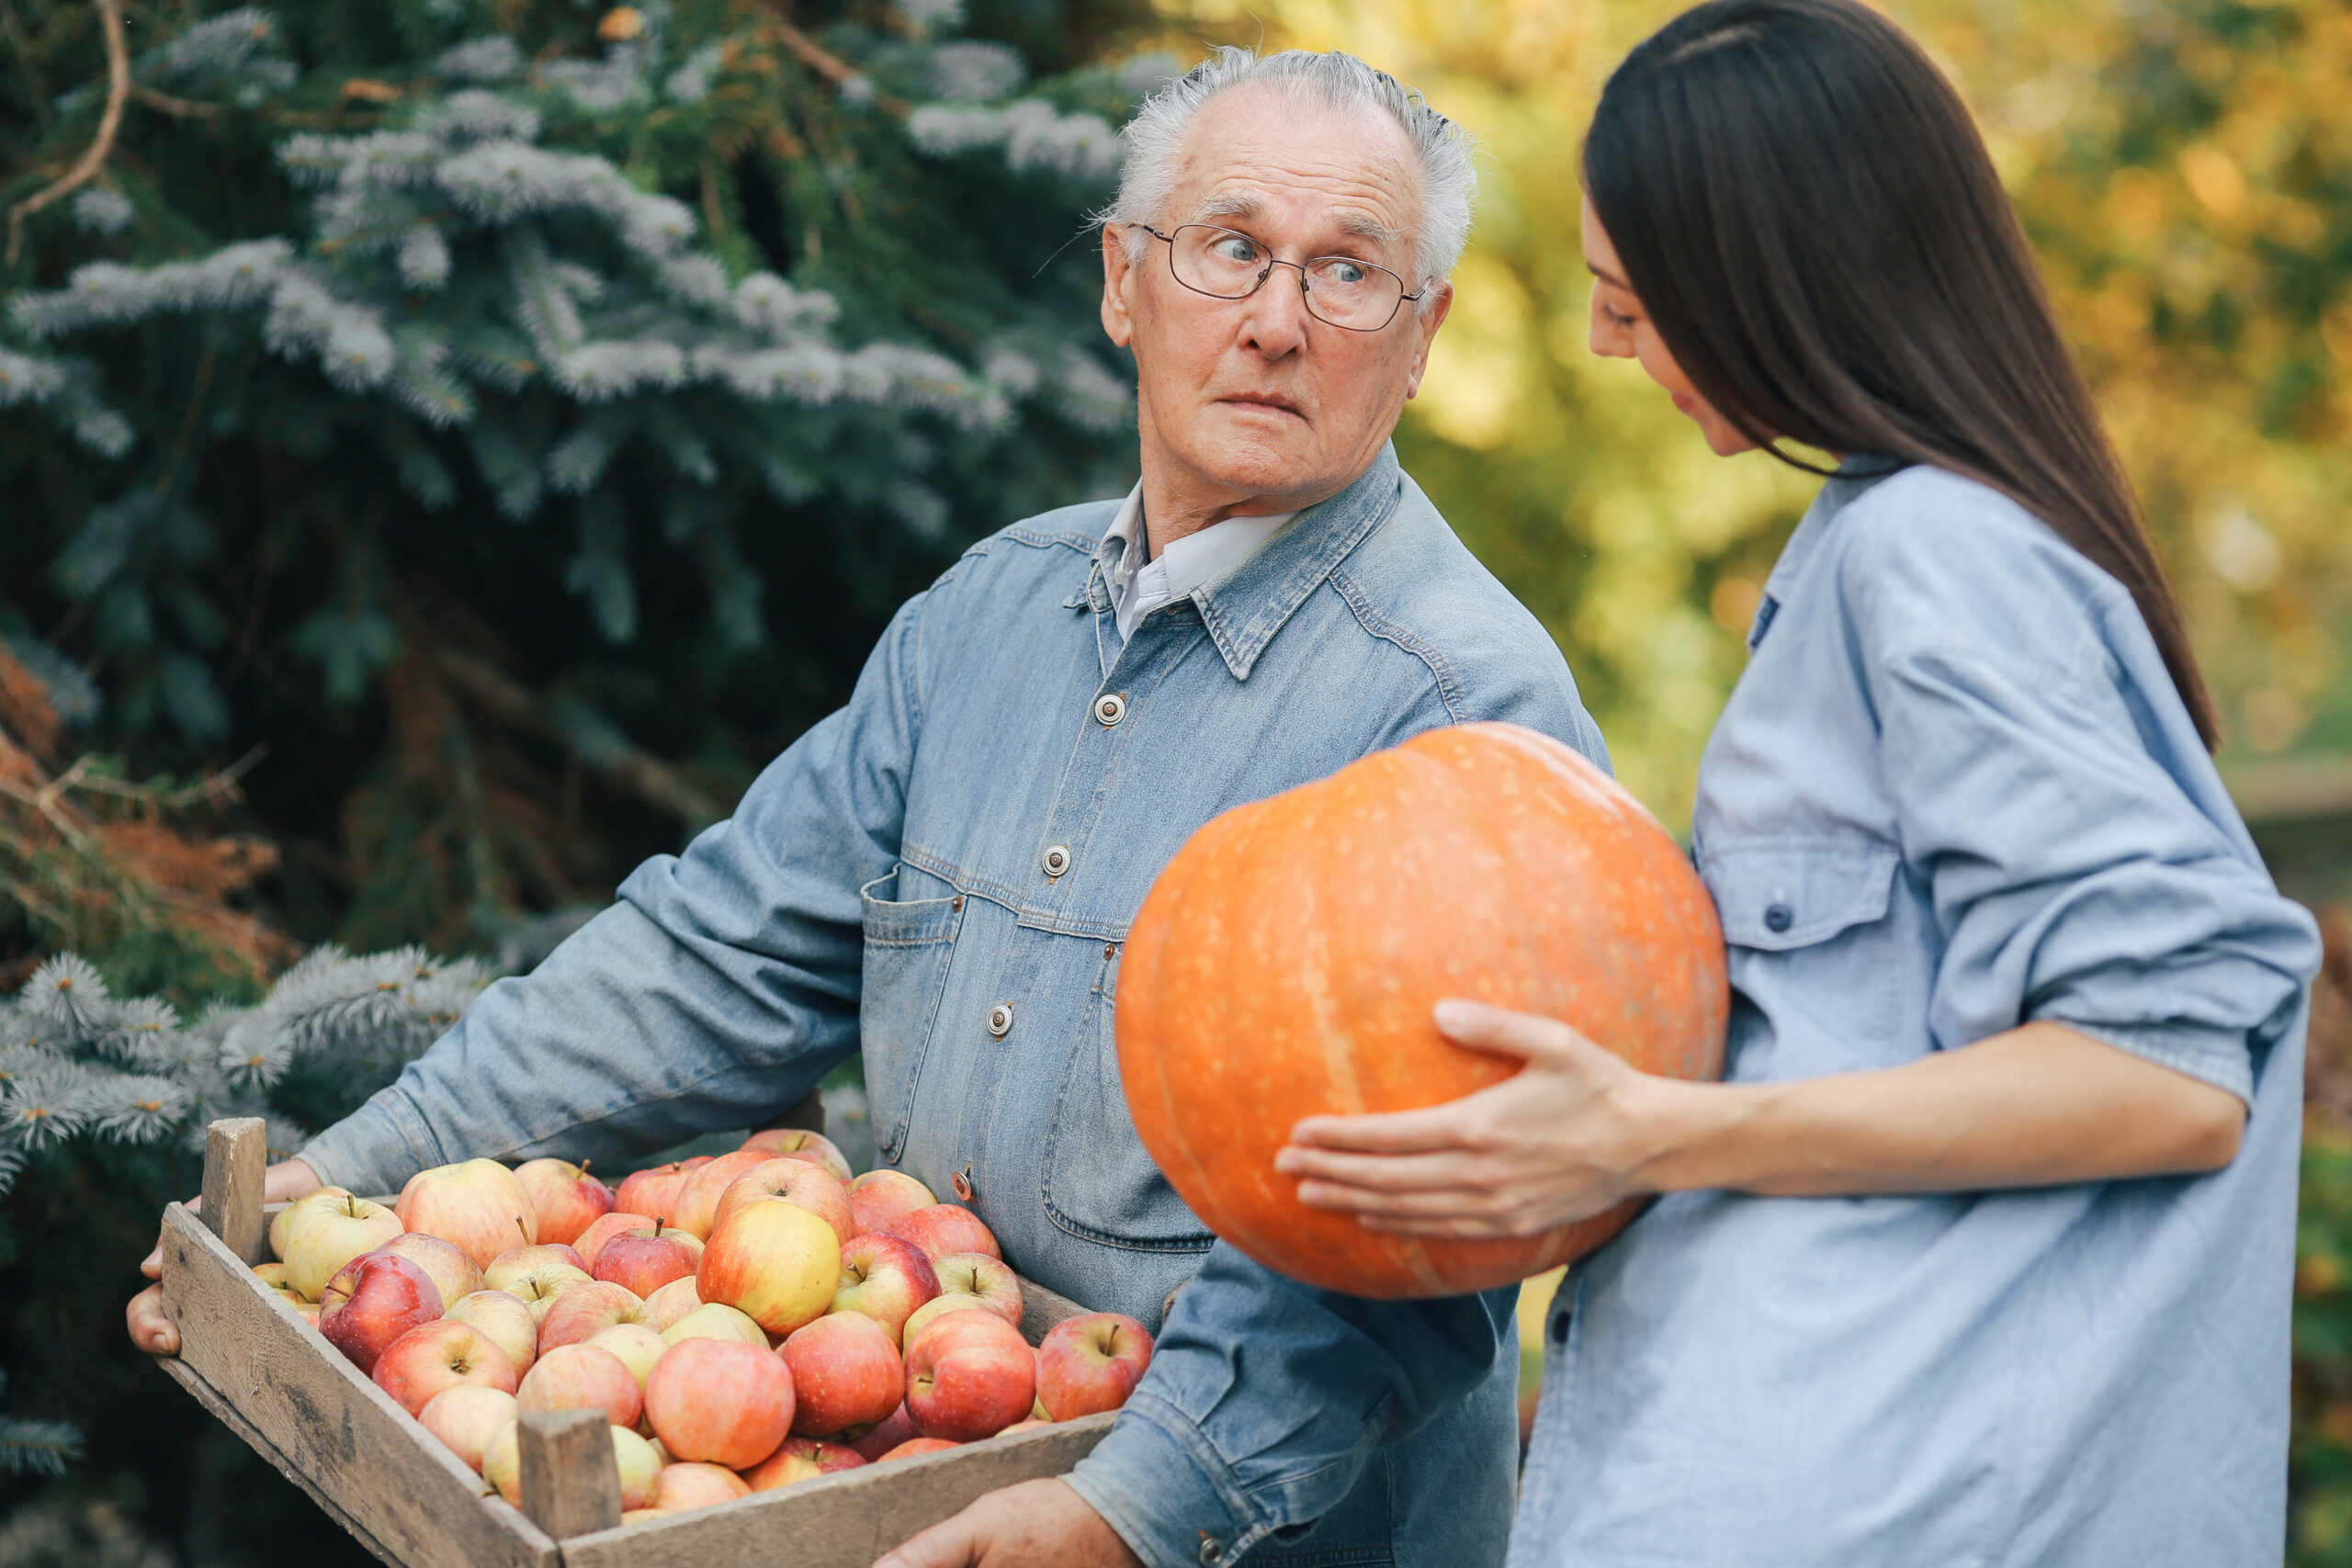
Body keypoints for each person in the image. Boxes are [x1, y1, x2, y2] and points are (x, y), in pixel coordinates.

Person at [128, 48, 1611, 1568]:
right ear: (1124, 280)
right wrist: (346, 1183)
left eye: (1350, 272)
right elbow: (713, 954)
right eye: (1229, 248)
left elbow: (1402, 1241)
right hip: (917, 1490)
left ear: (1421, 337)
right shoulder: (986, 619)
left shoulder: (1462, 716)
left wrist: (1133, 1502)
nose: (1277, 321)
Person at [1273, 4, 2324, 1564]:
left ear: (1781, 286)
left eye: (1638, 302)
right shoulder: (1882, 541)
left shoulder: (1937, 558)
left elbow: (2163, 1078)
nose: (1605, 346)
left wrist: (1648, 1131)